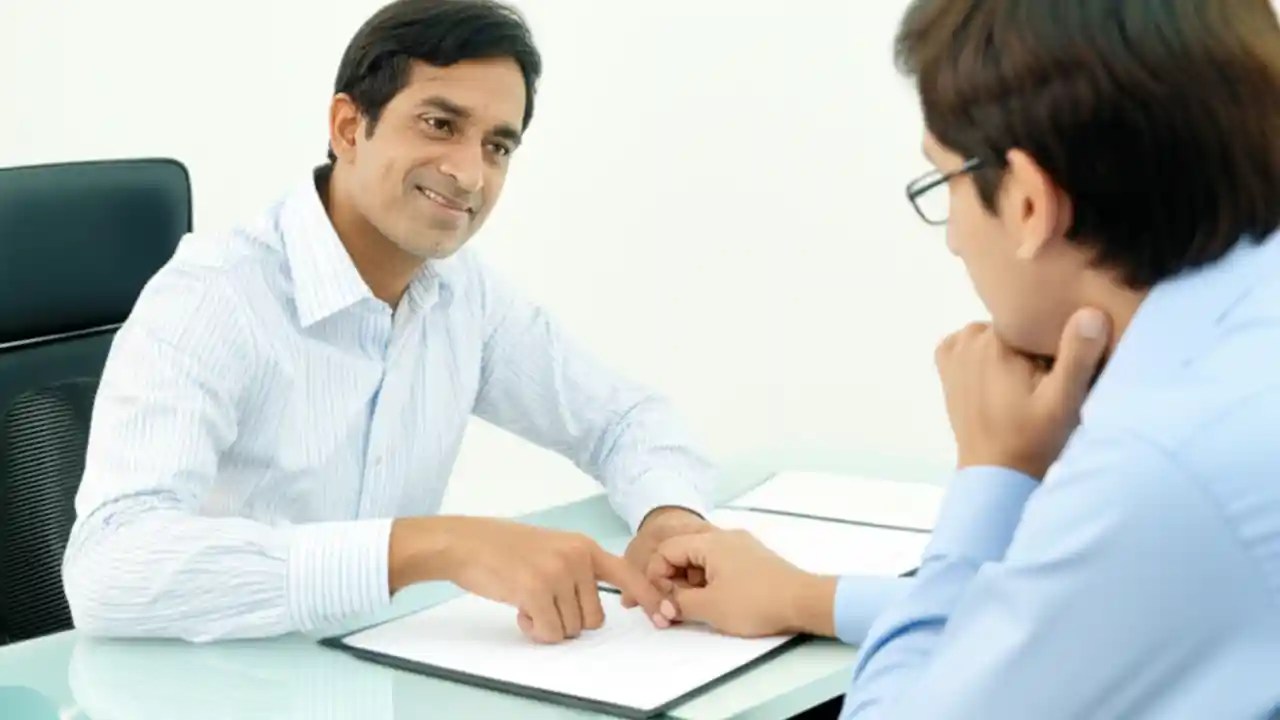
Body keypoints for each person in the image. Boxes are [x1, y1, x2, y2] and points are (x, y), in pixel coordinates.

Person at [646, 0, 1280, 718]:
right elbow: (1083, 610)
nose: (951, 239)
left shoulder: (1160, 463)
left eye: (942, 183)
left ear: (1030, 204)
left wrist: (994, 472)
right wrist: (804, 596)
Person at [62, 0, 714, 644]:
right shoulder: (214, 296)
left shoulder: (465, 295)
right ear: (349, 127)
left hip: (372, 675)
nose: (468, 174)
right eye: (438, 124)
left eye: (497, 146)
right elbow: (107, 569)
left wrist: (670, 517)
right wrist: (432, 546)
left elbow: (622, 420)